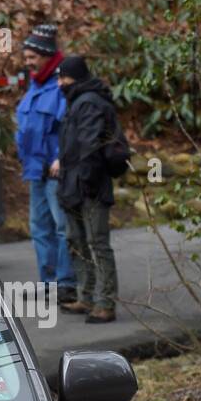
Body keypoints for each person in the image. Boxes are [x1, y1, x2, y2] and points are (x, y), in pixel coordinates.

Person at [54, 56, 121, 324]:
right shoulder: (77, 101)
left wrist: (85, 185)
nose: (59, 83)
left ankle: (105, 302)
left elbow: (90, 149)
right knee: (77, 243)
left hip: (89, 188)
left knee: (97, 243)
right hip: (73, 186)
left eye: (63, 78)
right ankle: (87, 295)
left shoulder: (90, 102)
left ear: (75, 78)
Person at [15, 23, 77, 305]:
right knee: (39, 227)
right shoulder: (34, 84)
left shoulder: (63, 84)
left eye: (32, 58)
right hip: (34, 169)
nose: (28, 63)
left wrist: (61, 158)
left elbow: (71, 125)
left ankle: (67, 282)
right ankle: (49, 281)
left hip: (55, 170)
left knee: (62, 226)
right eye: (26, 58)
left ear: (47, 55)